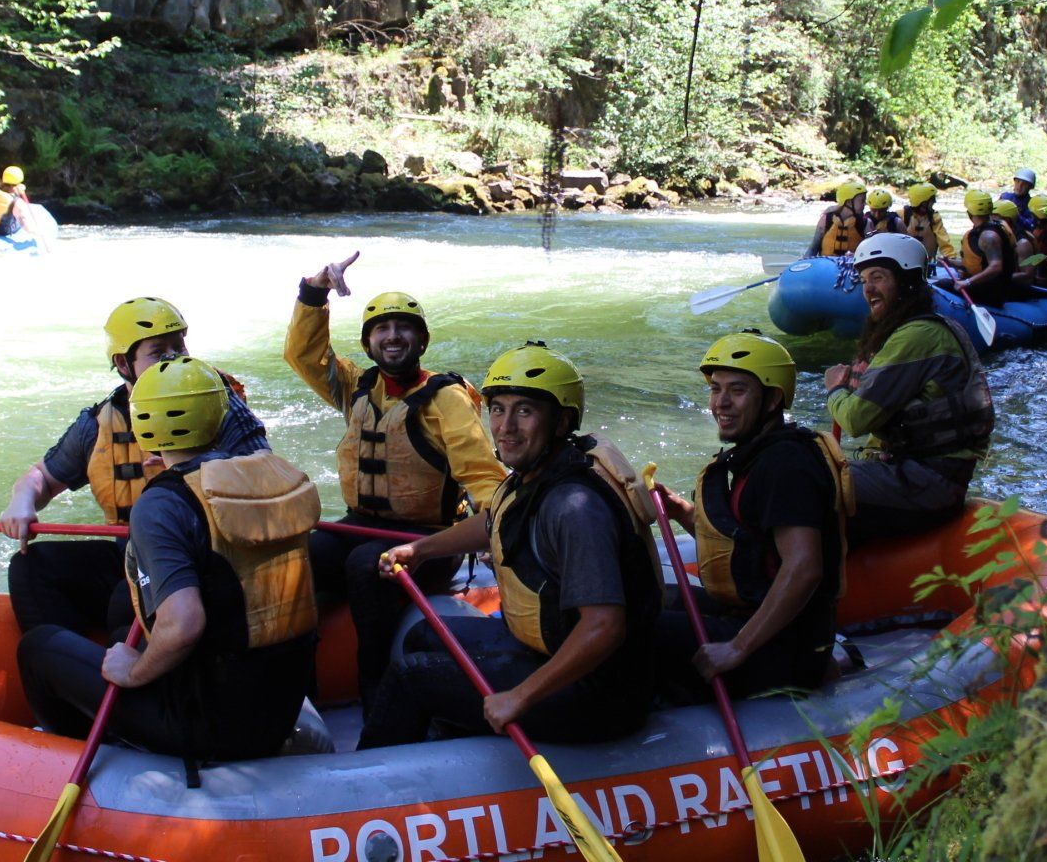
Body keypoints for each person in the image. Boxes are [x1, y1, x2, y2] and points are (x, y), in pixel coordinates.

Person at [16, 356, 318, 761]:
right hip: (278, 707)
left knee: (39, 648)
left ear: (145, 426)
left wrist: (133, 671)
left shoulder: (161, 503)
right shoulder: (270, 472)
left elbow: (184, 623)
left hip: (209, 723)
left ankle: (85, 753)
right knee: (126, 610)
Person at [359, 343, 660, 748]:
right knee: (423, 638)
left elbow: (604, 627)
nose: (505, 427)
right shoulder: (537, 473)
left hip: (595, 694)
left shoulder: (574, 507)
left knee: (411, 678)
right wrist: (423, 550)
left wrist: (520, 697)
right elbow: (494, 520)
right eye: (498, 409)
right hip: (545, 652)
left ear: (561, 421)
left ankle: (376, 780)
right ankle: (454, 740)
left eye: (525, 411)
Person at [283, 252, 505, 708]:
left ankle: (378, 696)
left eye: (403, 327)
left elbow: (482, 472)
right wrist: (315, 288)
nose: (392, 336)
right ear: (368, 344)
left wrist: (495, 527)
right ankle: (296, 691)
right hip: (359, 523)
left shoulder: (445, 399)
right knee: (296, 557)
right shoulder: (357, 387)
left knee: (366, 565)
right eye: (381, 329)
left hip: (427, 538)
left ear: (421, 340)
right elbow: (303, 355)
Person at [0, 297, 268, 638]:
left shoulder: (218, 400)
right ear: (123, 363)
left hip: (202, 558)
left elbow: (264, 471)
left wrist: (201, 466)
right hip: (130, 554)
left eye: (178, 347)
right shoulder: (100, 422)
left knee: (122, 605)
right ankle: (66, 664)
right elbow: (41, 476)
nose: (173, 359)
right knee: (30, 567)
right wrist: (21, 501)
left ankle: (134, 667)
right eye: (158, 351)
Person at [653, 331, 849, 702]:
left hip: (781, 651)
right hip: (760, 623)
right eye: (715, 389)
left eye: (737, 391)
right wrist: (684, 514)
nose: (720, 403)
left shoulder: (785, 464)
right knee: (650, 596)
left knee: (632, 628)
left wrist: (737, 647)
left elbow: (804, 567)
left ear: (773, 399)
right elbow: (751, 549)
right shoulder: (757, 454)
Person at [825, 234, 993, 541]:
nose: (868, 289)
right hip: (919, 473)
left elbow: (855, 420)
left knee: (805, 479)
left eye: (878, 277)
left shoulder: (917, 336)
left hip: (928, 482)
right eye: (864, 280)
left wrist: (835, 389)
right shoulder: (924, 328)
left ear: (907, 281)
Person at [952, 189, 1018, 304]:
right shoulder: (993, 228)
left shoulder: (988, 236)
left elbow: (996, 267)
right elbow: (979, 263)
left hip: (991, 292)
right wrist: (949, 261)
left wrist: (967, 282)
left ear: (970, 213)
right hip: (989, 286)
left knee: (941, 285)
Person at [805, 182, 867, 257]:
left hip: (852, 265)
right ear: (849, 202)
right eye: (862, 201)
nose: (865, 204)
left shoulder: (865, 223)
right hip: (827, 264)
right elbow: (813, 248)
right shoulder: (826, 219)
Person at [900, 184, 952, 261]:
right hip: (903, 261)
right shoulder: (902, 214)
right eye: (932, 199)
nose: (935, 201)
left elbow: (944, 241)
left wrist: (950, 256)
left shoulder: (934, 218)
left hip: (926, 263)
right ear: (923, 203)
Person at [0, 166, 31, 238]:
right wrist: (34, 232)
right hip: (3, 231)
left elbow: (2, 189)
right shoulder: (16, 202)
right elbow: (24, 222)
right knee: (19, 215)